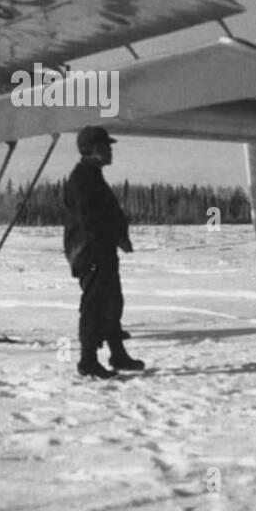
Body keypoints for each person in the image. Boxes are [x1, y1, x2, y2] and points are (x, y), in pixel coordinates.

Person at [62, 126, 144, 378]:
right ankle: (87, 361)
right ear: (93, 150)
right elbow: (91, 220)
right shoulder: (83, 178)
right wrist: (105, 242)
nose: (110, 151)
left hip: (101, 249)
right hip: (91, 252)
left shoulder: (92, 175)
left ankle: (117, 354)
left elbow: (105, 215)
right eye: (106, 146)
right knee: (94, 306)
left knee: (112, 303)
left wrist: (119, 237)